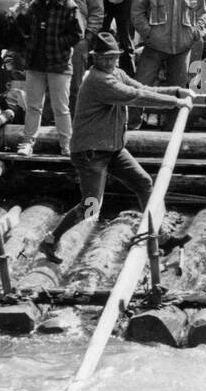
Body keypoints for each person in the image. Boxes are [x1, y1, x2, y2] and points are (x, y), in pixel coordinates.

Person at [38, 33, 194, 264]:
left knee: (143, 182)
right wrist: (175, 103)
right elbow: (136, 96)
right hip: (90, 153)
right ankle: (51, 240)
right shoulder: (99, 80)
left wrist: (175, 91)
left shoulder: (117, 73)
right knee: (91, 207)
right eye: (105, 59)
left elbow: (141, 86)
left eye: (114, 58)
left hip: (112, 149)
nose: (110, 63)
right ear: (96, 59)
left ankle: (160, 237)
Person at [130, 0, 206, 125]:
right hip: (154, 47)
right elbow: (136, 12)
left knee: (178, 90)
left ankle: (171, 130)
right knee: (141, 86)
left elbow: (202, 13)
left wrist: (194, 33)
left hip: (182, 49)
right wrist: (149, 34)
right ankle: (132, 125)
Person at [9, 0, 85, 157]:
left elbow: (77, 34)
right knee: (34, 106)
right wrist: (18, 17)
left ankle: (67, 144)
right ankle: (27, 143)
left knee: (61, 108)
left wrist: (60, 43)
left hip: (58, 63)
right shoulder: (36, 4)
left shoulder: (68, 6)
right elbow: (24, 29)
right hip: (35, 63)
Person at [57, 0, 105, 115]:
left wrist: (88, 40)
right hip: (55, 39)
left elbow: (97, 11)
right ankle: (48, 123)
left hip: (78, 41)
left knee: (75, 85)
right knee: (52, 83)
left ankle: (75, 123)